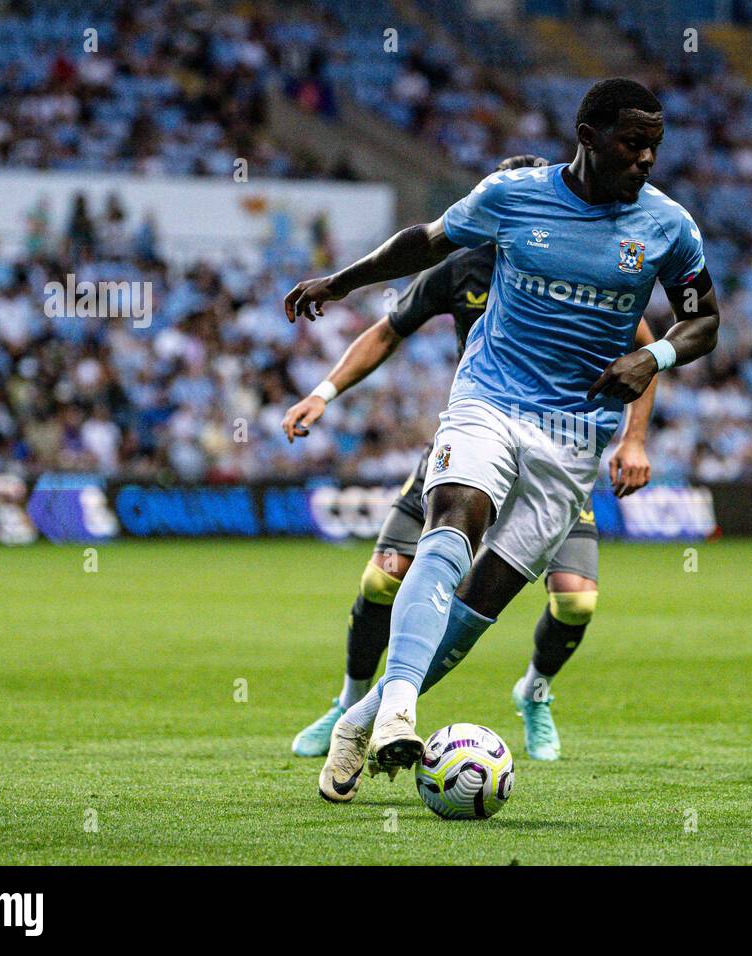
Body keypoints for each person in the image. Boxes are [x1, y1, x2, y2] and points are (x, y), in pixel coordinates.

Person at [283, 77, 721, 803]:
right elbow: (423, 242)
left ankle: (360, 721)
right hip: (490, 399)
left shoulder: (669, 227)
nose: (646, 158)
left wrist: (656, 356)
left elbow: (703, 320)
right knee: (453, 519)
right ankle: (399, 707)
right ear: (588, 137)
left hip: (575, 436)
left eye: (655, 146)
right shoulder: (513, 196)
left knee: (483, 601)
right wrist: (342, 281)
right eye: (632, 143)